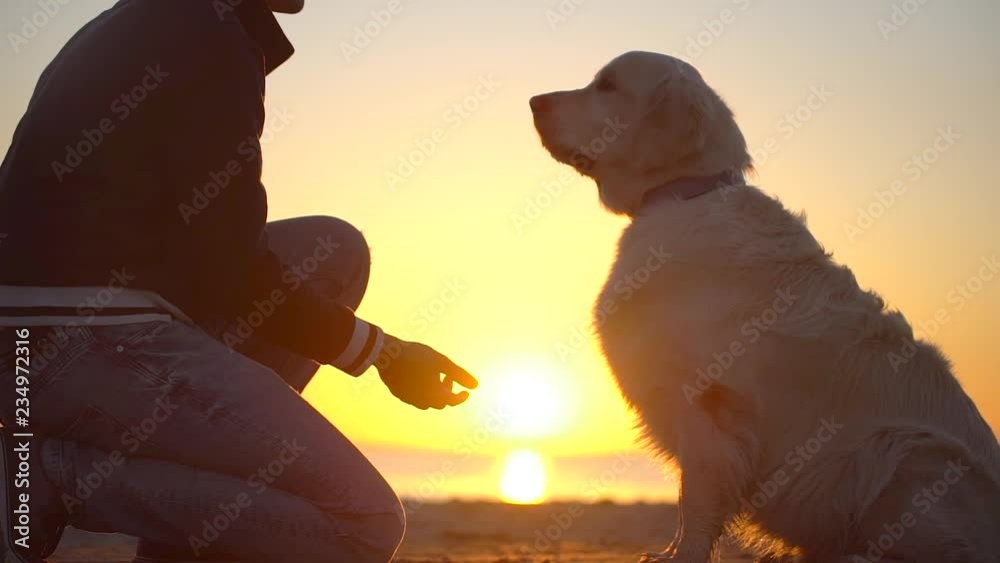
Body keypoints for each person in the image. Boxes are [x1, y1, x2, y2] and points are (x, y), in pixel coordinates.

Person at [0, 0, 478, 561]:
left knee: (333, 250)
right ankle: (45, 479)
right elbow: (232, 269)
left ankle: (186, 547)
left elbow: (213, 255)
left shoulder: (148, 20)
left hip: (49, 325)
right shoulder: (209, 32)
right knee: (363, 522)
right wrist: (386, 354)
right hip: (80, 337)